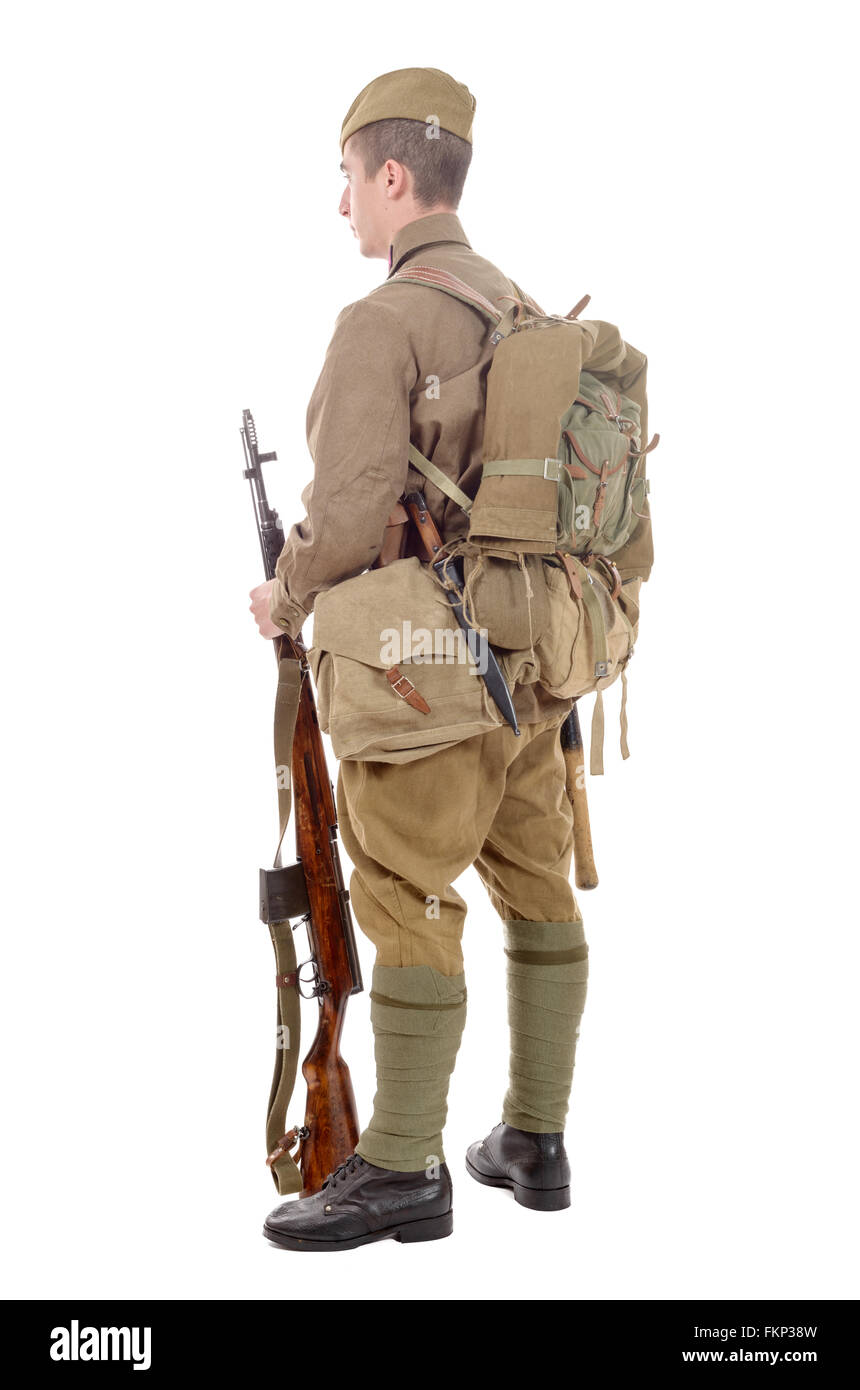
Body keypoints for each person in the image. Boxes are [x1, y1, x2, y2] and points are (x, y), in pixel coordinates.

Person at [249, 67, 590, 1251]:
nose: (343, 207)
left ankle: (401, 1165)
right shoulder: (524, 306)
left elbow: (343, 523)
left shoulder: (381, 322)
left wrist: (280, 592)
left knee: (402, 891)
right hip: (536, 669)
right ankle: (533, 1139)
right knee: (533, 881)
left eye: (349, 181)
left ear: (393, 178)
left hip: (425, 676)